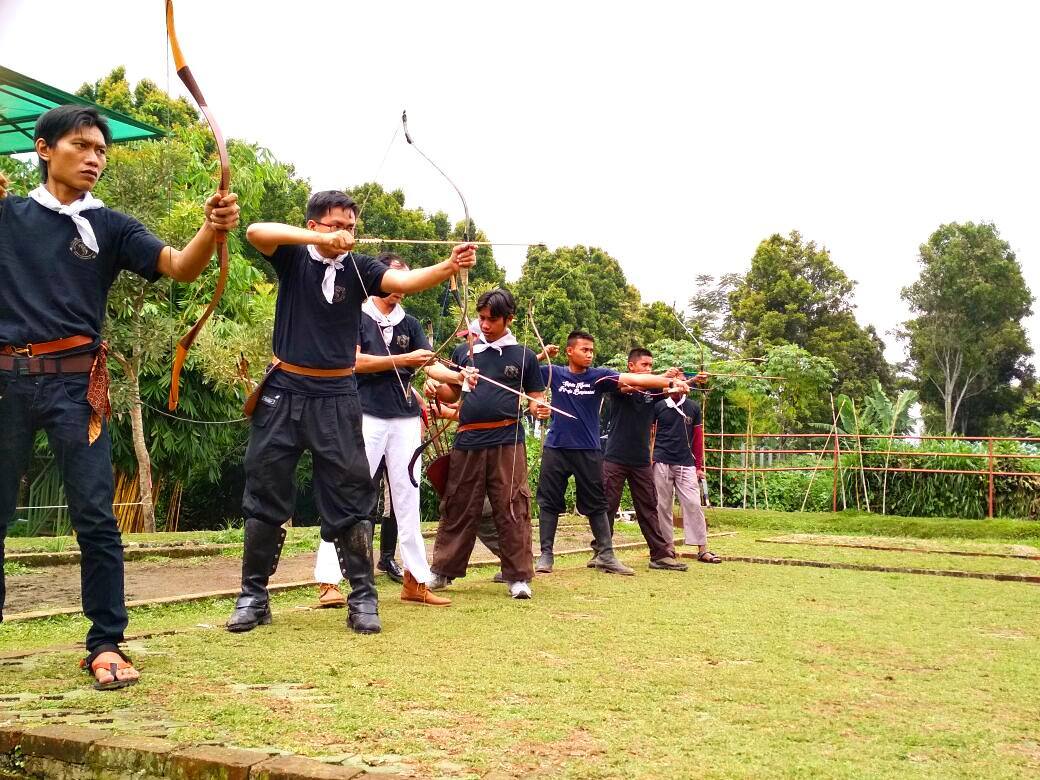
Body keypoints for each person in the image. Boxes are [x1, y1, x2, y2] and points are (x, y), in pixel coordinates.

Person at [0, 105, 240, 690]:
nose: (94, 159)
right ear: (43, 149)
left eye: (101, 151)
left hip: (77, 386)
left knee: (96, 518)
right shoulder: (8, 214)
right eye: (81, 146)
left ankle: (105, 643)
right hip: (5, 379)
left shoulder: (111, 226)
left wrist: (211, 229)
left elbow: (180, 267)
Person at [226, 191, 476, 635]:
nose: (346, 234)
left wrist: (448, 266)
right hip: (284, 390)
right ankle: (253, 596)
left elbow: (404, 282)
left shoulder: (360, 269)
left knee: (352, 495)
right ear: (313, 224)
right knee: (265, 492)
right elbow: (255, 231)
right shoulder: (293, 256)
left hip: (338, 394)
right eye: (336, 225)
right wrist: (319, 239)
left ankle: (363, 597)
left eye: (352, 227)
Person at [312, 253, 463, 609]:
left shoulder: (409, 323)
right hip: (364, 414)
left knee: (408, 498)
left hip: (405, 417)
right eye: (393, 279)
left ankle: (415, 580)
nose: (399, 289)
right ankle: (329, 580)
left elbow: (430, 364)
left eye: (404, 281)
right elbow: (354, 361)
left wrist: (459, 375)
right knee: (348, 492)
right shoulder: (356, 316)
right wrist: (402, 360)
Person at [428, 288, 549, 599]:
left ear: (509, 319)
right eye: (481, 318)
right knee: (458, 503)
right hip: (468, 438)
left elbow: (536, 398)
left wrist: (539, 408)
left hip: (507, 439)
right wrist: (436, 388)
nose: (484, 324)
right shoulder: (463, 352)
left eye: (492, 319)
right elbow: (452, 394)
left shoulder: (523, 355)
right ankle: (442, 571)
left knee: (512, 504)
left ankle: (518, 577)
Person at [535, 331, 690, 575]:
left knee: (598, 504)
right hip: (556, 447)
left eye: (591, 350)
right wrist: (542, 356)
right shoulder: (554, 372)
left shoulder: (599, 376)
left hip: (588, 449)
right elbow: (524, 371)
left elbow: (635, 379)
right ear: (569, 351)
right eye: (584, 350)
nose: (589, 354)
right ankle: (546, 555)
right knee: (549, 502)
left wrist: (670, 383)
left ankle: (606, 555)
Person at [601, 348, 689, 571]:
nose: (648, 369)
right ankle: (601, 552)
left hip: (641, 459)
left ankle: (660, 555)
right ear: (631, 366)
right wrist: (665, 378)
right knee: (607, 506)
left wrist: (688, 381)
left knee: (649, 506)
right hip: (615, 456)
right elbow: (635, 386)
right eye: (644, 365)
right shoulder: (619, 385)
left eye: (651, 365)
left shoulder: (654, 391)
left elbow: (671, 390)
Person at [652, 386, 721, 564]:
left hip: (686, 462)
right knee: (662, 506)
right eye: (673, 384)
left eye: (681, 383)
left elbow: (698, 438)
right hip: (661, 460)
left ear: (685, 387)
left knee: (693, 503)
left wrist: (699, 467)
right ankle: (668, 548)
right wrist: (649, 460)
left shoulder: (693, 407)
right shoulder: (659, 406)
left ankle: (702, 549)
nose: (677, 387)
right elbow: (650, 434)